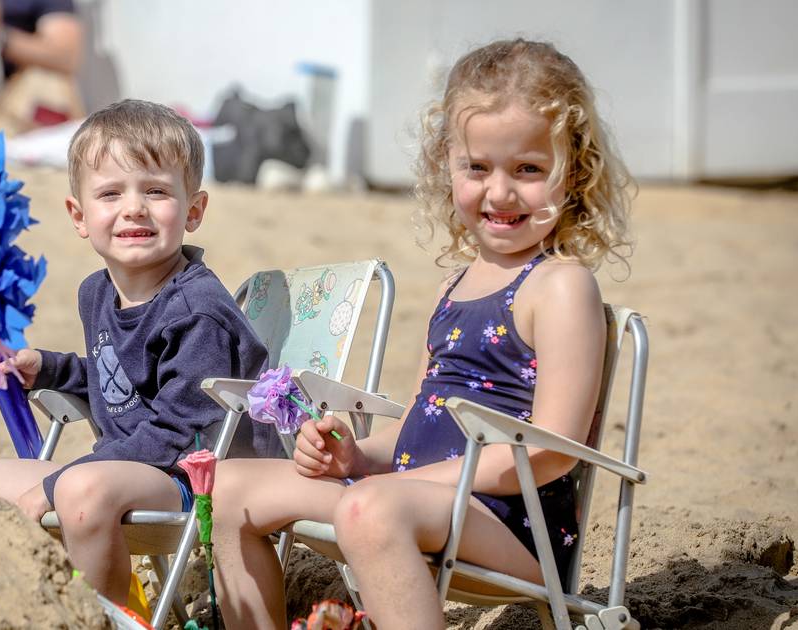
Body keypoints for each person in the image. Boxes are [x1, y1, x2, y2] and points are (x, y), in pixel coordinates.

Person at [210, 38, 634, 629]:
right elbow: (417, 429)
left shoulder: (561, 287)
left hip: (511, 528)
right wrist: (356, 455)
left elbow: (547, 452)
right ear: (447, 165)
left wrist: (404, 481)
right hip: (411, 501)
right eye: (478, 168)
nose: (501, 191)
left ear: (575, 171)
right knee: (230, 489)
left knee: (368, 508)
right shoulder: (453, 286)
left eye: (529, 170)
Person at [0, 99, 274, 603]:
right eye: (110, 192)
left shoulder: (198, 311)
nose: (133, 207)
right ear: (79, 214)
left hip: (197, 482)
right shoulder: (97, 292)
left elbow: (180, 431)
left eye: (156, 191)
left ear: (194, 210)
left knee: (78, 493)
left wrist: (58, 482)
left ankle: (110, 614)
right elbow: (125, 380)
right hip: (124, 468)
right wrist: (50, 369)